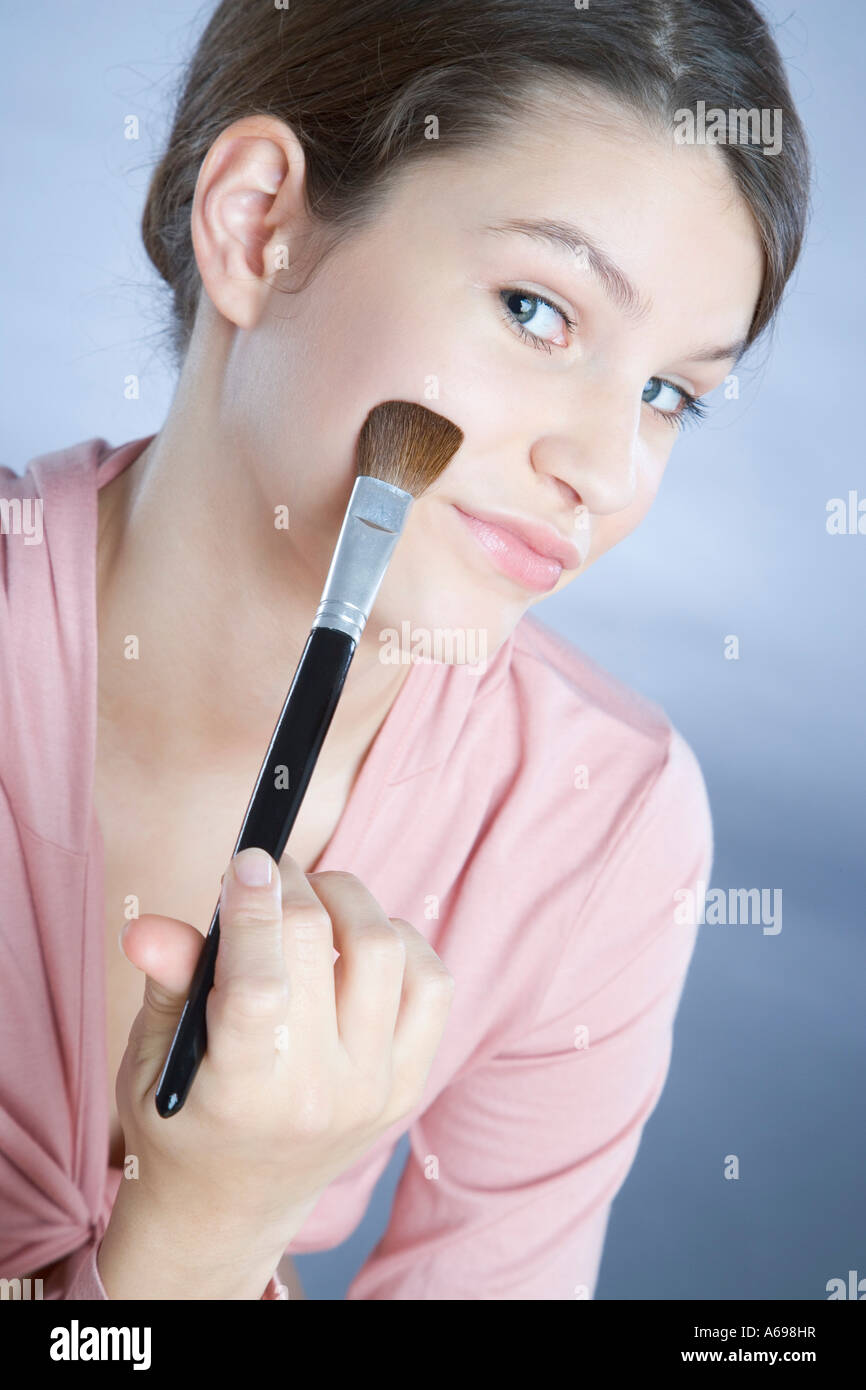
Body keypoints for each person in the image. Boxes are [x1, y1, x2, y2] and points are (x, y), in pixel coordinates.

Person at [0, 0, 810, 1299]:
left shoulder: (595, 824)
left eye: (668, 395)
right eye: (536, 308)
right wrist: (201, 1232)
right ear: (259, 226)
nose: (604, 469)